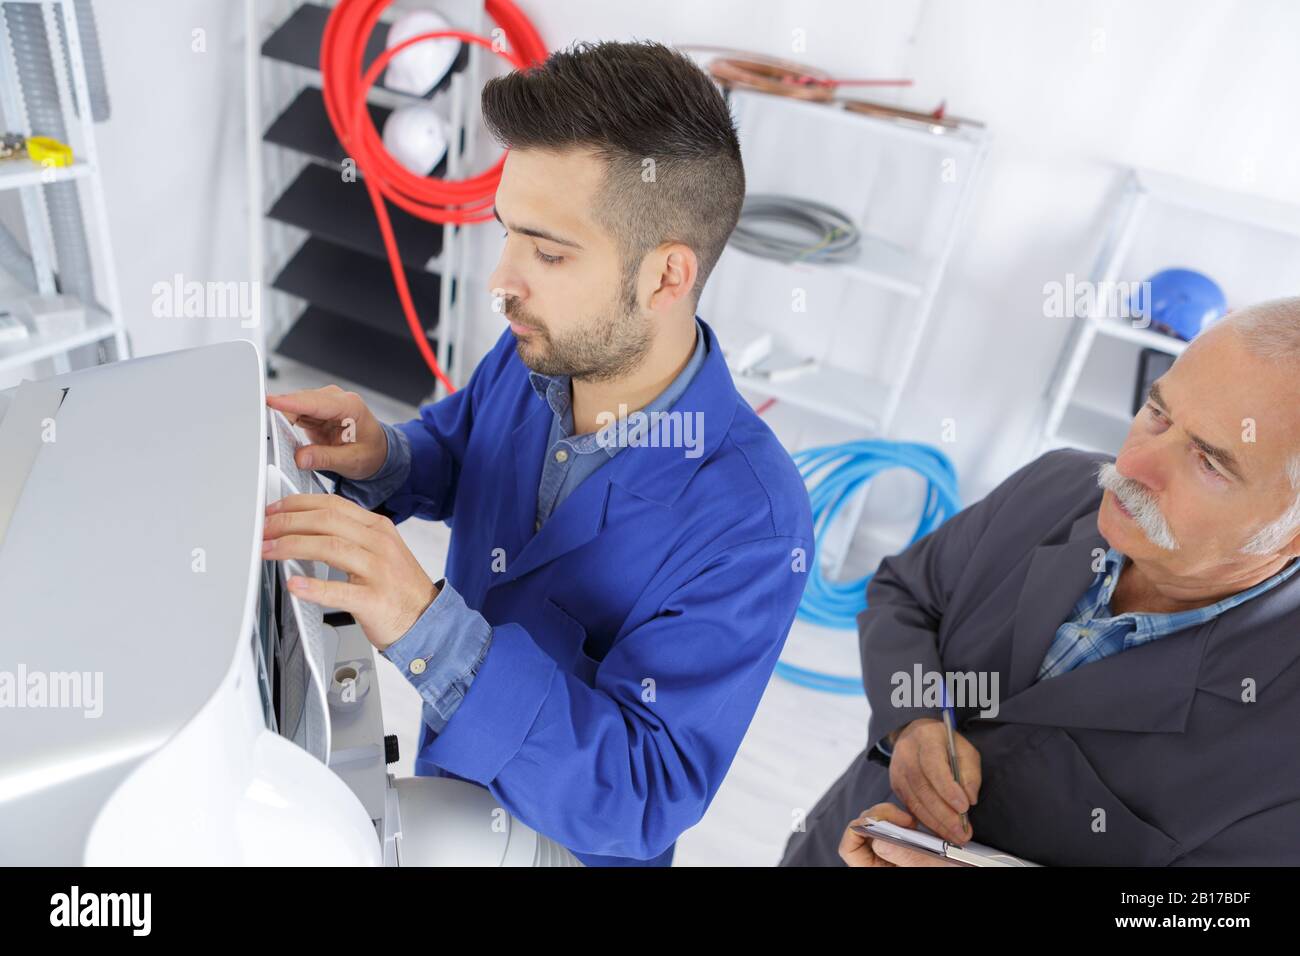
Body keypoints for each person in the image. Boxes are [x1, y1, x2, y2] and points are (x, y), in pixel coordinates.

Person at [264, 40, 814, 867]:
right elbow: (461, 452)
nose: (502, 279)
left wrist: (431, 629)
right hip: (449, 785)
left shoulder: (751, 525)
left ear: (667, 277)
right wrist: (386, 458)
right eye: (507, 233)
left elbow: (644, 793)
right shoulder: (539, 352)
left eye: (549, 252)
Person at [783, 298, 1300, 867]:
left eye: (1208, 462)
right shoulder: (1054, 484)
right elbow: (906, 594)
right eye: (1158, 413)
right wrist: (914, 719)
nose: (1133, 467)